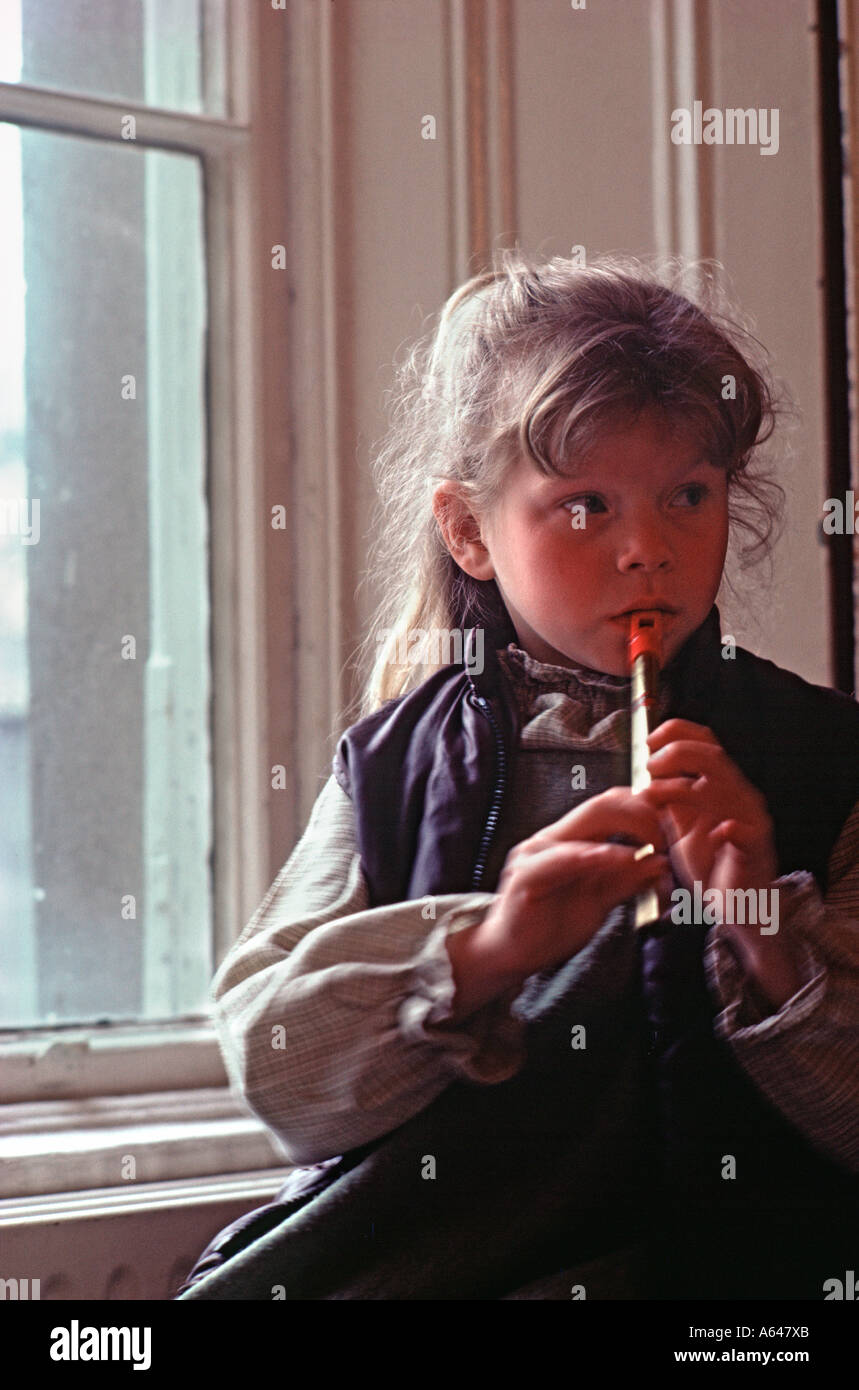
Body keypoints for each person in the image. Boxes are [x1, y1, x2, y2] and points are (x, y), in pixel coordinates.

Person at [178, 250, 859, 1301]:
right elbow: (285, 1084)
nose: (648, 550)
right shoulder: (394, 767)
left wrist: (765, 930)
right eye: (585, 505)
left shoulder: (826, 758)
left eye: (688, 493)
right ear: (468, 532)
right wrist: (487, 951)